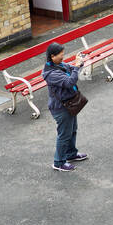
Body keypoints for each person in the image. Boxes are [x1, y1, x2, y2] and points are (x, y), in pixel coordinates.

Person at [43, 42, 88, 171]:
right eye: (61, 55)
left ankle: (71, 154)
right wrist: (77, 66)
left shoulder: (59, 65)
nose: (63, 57)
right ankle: (58, 162)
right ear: (52, 56)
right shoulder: (51, 73)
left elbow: (71, 69)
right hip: (61, 108)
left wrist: (78, 62)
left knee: (73, 129)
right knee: (64, 135)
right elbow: (69, 82)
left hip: (69, 104)